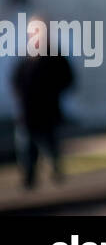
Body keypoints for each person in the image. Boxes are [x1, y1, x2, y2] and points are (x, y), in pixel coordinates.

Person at [10, 15, 74, 189]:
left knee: (50, 148)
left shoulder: (55, 58)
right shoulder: (27, 57)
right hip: (27, 114)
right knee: (26, 149)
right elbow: (16, 80)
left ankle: (56, 178)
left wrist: (50, 93)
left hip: (47, 114)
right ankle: (29, 179)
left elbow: (67, 79)